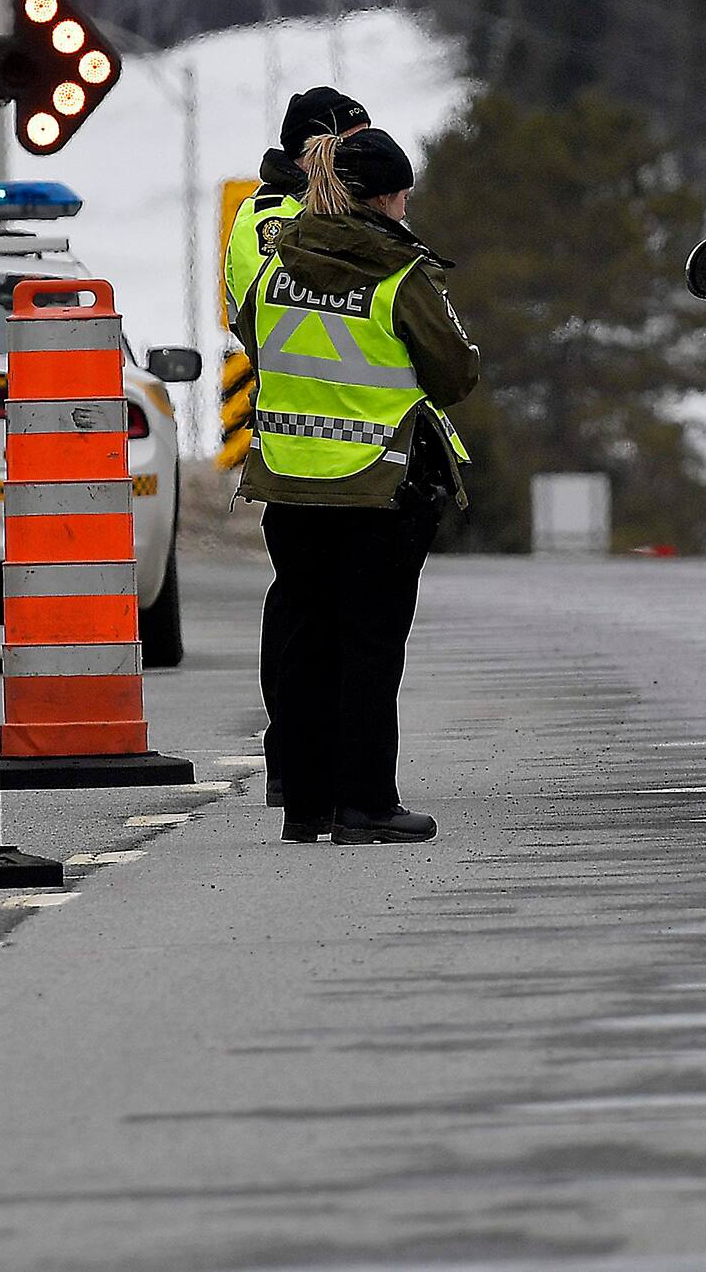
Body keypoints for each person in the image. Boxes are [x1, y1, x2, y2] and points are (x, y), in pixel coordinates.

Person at [235, 122, 479, 844]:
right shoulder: (400, 275)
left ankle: (305, 804)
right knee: (369, 646)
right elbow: (453, 374)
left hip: (289, 483)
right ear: (387, 197)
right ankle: (366, 803)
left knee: (306, 643)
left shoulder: (273, 268)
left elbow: (256, 341)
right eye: (403, 195)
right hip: (378, 487)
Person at [224, 87, 369, 810]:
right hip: (308, 438)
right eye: (355, 145)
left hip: (326, 432)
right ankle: (303, 762)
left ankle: (317, 765)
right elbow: (275, 317)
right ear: (322, 148)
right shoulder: (273, 223)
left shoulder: (301, 217)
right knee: (312, 611)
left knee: (309, 606)